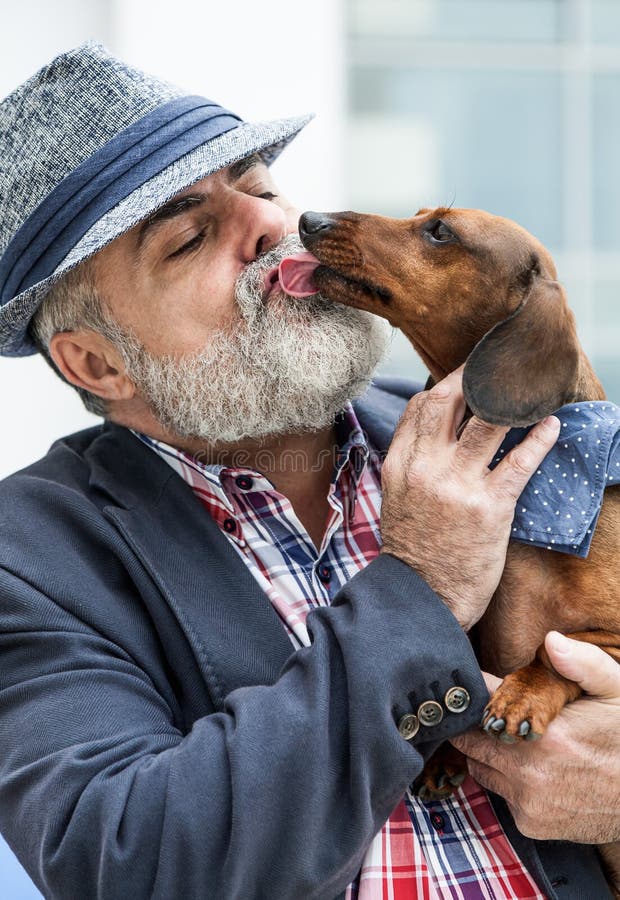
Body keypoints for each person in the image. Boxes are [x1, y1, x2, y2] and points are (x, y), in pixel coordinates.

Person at [0, 41, 616, 900]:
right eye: (188, 237)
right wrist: (422, 583)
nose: (268, 227)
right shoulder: (28, 561)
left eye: (258, 186)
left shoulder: (519, 444)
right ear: (97, 364)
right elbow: (137, 866)